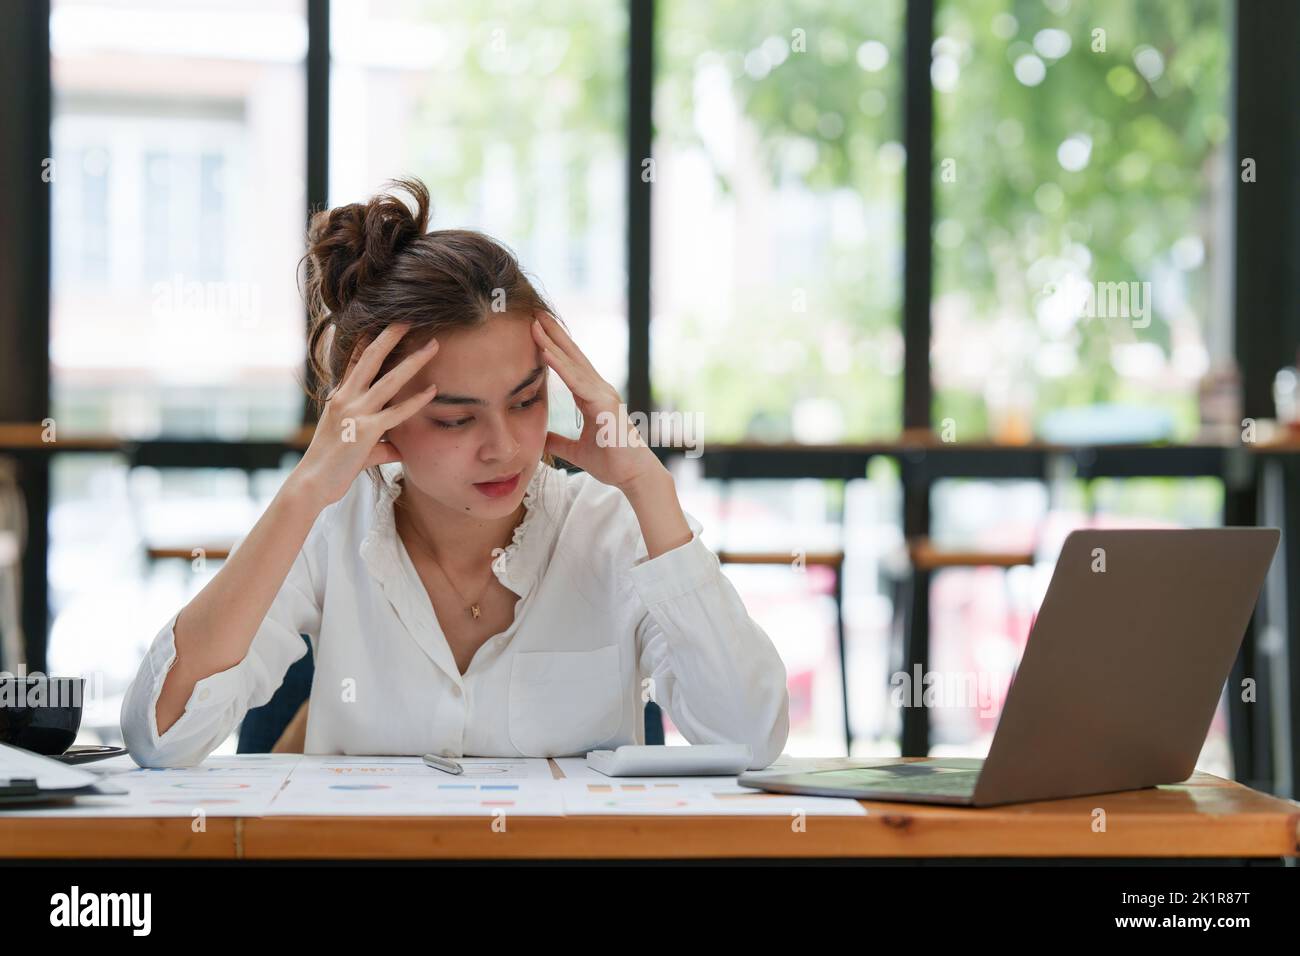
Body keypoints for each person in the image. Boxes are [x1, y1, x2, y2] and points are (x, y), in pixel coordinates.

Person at [120, 177, 790, 769]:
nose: (503, 446)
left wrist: (648, 486)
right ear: (380, 414)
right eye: (455, 418)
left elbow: (751, 741)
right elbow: (160, 736)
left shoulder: (611, 529)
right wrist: (305, 493)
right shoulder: (333, 525)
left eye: (527, 400)